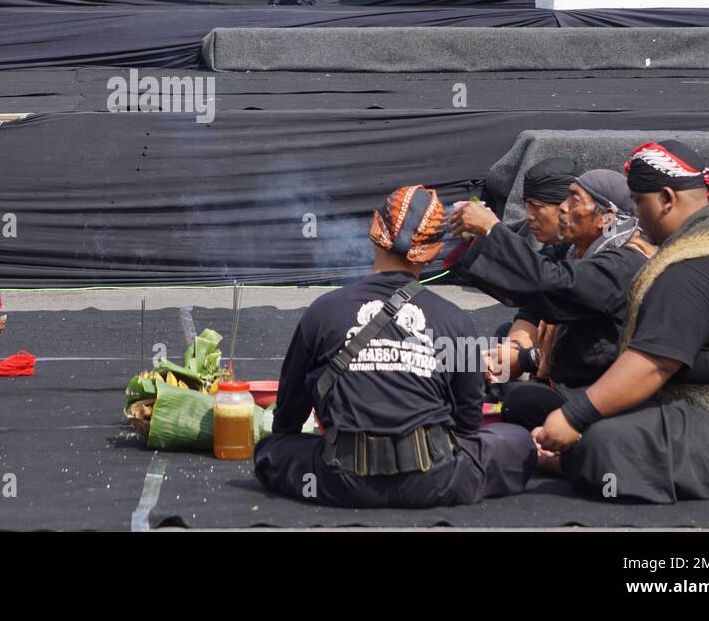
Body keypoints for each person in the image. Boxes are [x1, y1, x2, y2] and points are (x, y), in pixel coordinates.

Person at [533, 140, 709, 503]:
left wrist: (573, 418)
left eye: (638, 202)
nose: (635, 214)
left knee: (603, 445)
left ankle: (562, 460)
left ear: (666, 199)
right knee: (542, 404)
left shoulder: (695, 264)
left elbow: (651, 366)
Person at [254, 185, 536, 508]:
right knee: (518, 442)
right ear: (433, 251)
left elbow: (287, 419)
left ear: (375, 228)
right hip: (433, 480)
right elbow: (467, 429)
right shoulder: (456, 321)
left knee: (269, 450)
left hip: (341, 480)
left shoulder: (322, 313)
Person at [452, 169, 654, 429]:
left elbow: (550, 284)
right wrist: (519, 355)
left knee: (519, 400)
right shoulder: (574, 250)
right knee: (501, 342)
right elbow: (532, 296)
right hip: (572, 365)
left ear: (607, 218)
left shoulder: (624, 263)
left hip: (598, 390)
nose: (563, 208)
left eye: (573, 201)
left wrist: (492, 229)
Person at [453, 157, 581, 397]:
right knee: (505, 336)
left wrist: (493, 230)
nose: (529, 215)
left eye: (537, 206)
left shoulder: (600, 257)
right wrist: (510, 353)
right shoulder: (560, 251)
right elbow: (531, 307)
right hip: (548, 358)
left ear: (566, 207)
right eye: (527, 205)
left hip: (584, 374)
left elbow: (542, 280)